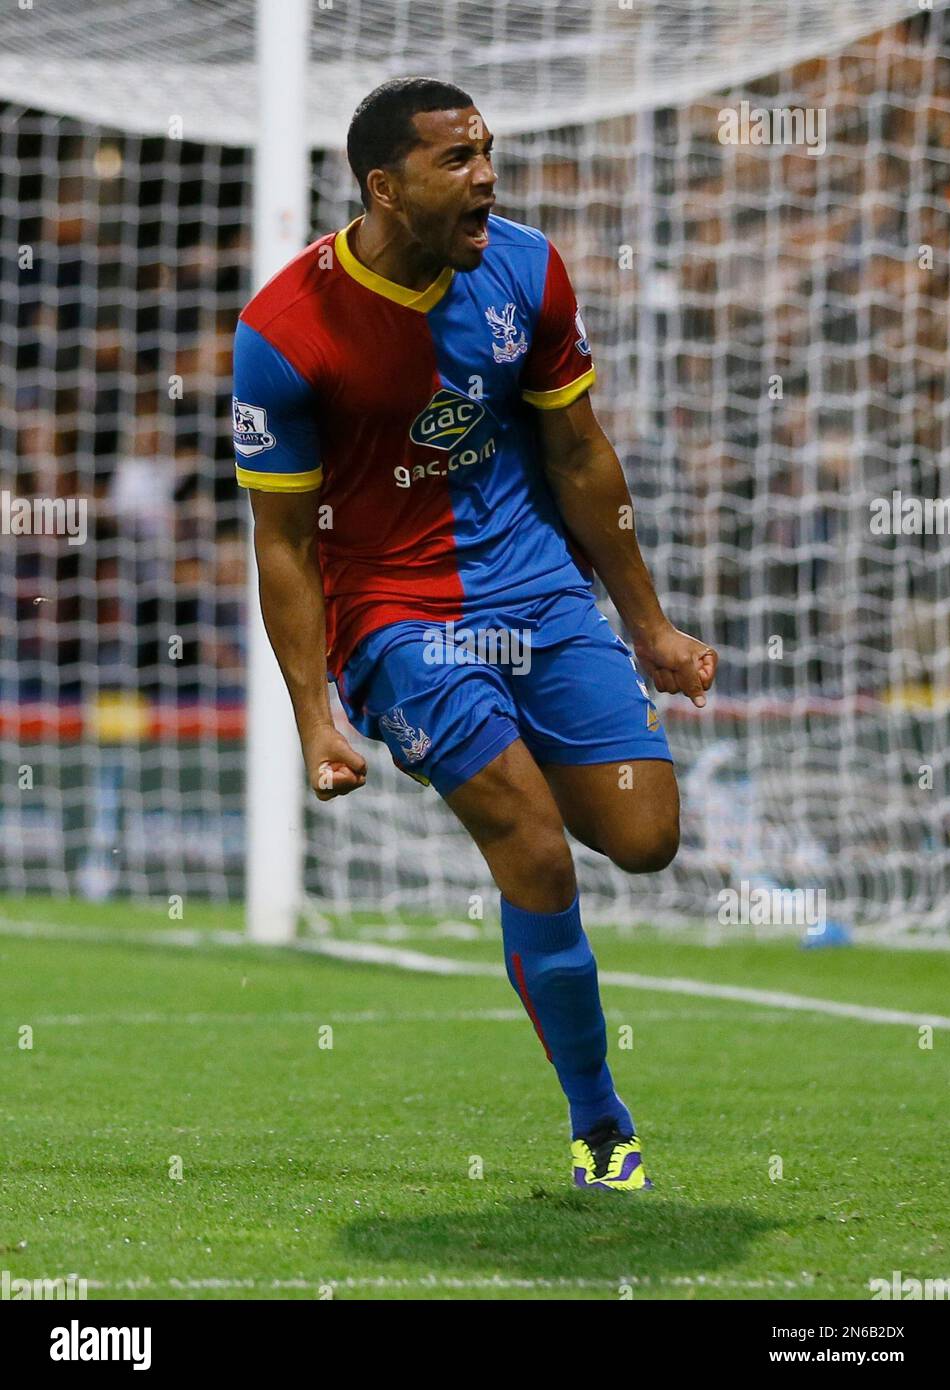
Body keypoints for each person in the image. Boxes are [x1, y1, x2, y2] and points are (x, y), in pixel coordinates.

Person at [233, 78, 717, 1192]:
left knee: (645, 837)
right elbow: (282, 543)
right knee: (537, 850)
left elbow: (582, 453)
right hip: (397, 616)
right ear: (384, 186)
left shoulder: (527, 268)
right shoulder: (285, 331)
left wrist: (646, 625)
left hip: (538, 592)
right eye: (457, 160)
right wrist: (316, 715)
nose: (486, 176)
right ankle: (602, 1124)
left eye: (487, 152)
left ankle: (519, 766)